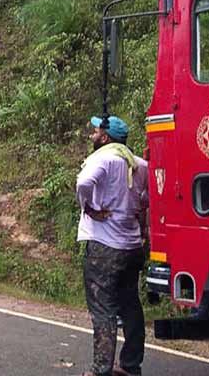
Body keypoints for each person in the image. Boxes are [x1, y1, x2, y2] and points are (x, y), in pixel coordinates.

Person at [76, 115, 148, 376]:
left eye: (96, 131)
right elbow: (148, 198)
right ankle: (131, 365)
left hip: (104, 245)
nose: (93, 135)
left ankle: (101, 369)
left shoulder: (102, 158)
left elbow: (84, 183)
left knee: (103, 307)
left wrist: (89, 207)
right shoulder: (140, 164)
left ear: (105, 138)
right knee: (130, 305)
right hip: (131, 246)